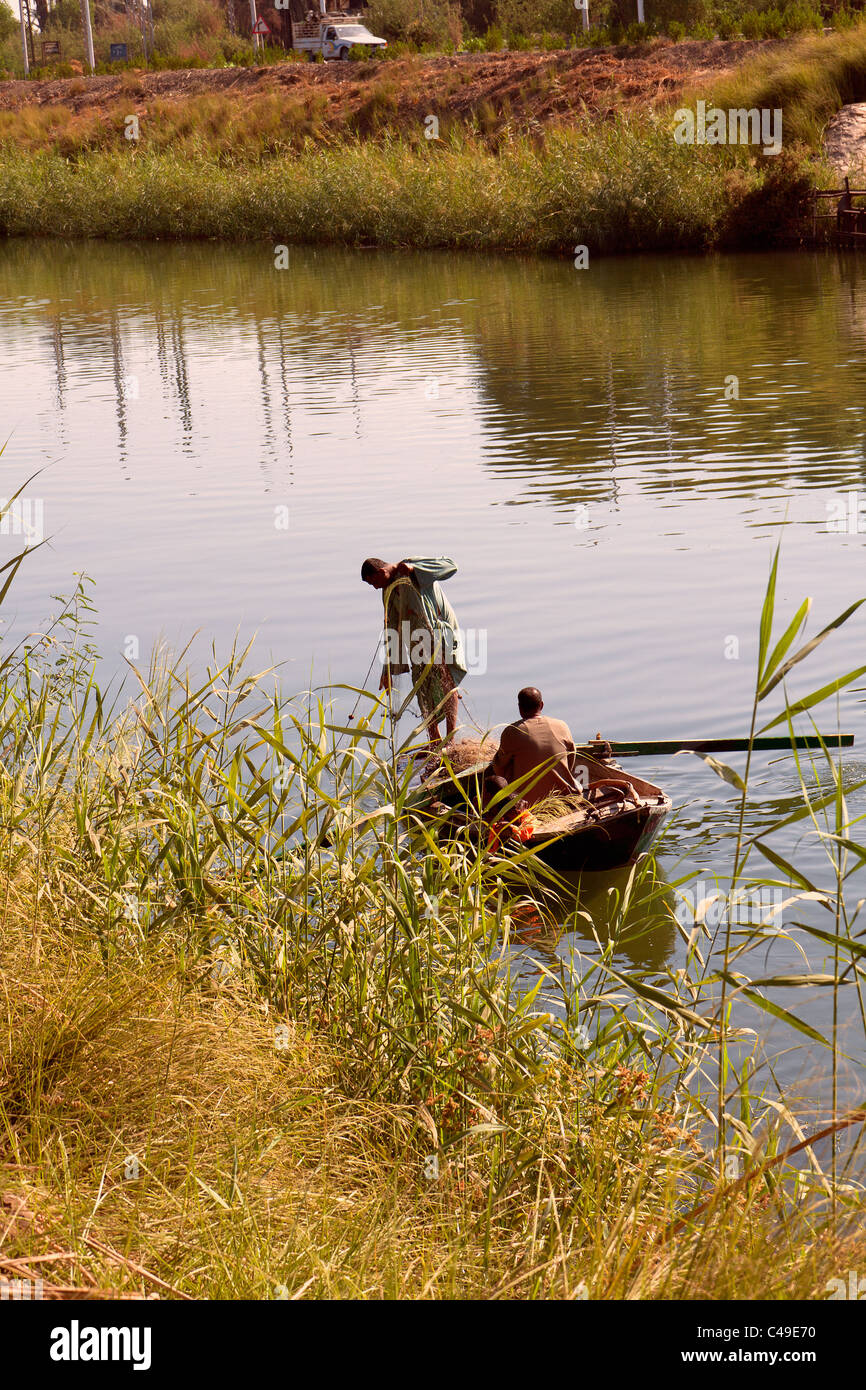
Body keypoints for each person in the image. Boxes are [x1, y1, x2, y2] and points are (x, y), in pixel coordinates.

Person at [360, 556, 467, 745]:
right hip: (418, 643)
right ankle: (435, 742)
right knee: (422, 689)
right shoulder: (388, 592)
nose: (375, 587)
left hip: (441, 635)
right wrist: (388, 671)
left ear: (382, 571)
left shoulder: (410, 566)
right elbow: (391, 629)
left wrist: (413, 568)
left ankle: (450, 740)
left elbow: (451, 565)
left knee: (447, 684)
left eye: (374, 582)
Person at [490, 686, 579, 805]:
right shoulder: (561, 726)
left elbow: (499, 768)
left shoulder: (512, 732)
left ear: (519, 708)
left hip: (527, 804)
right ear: (541, 705)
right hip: (562, 801)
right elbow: (571, 759)